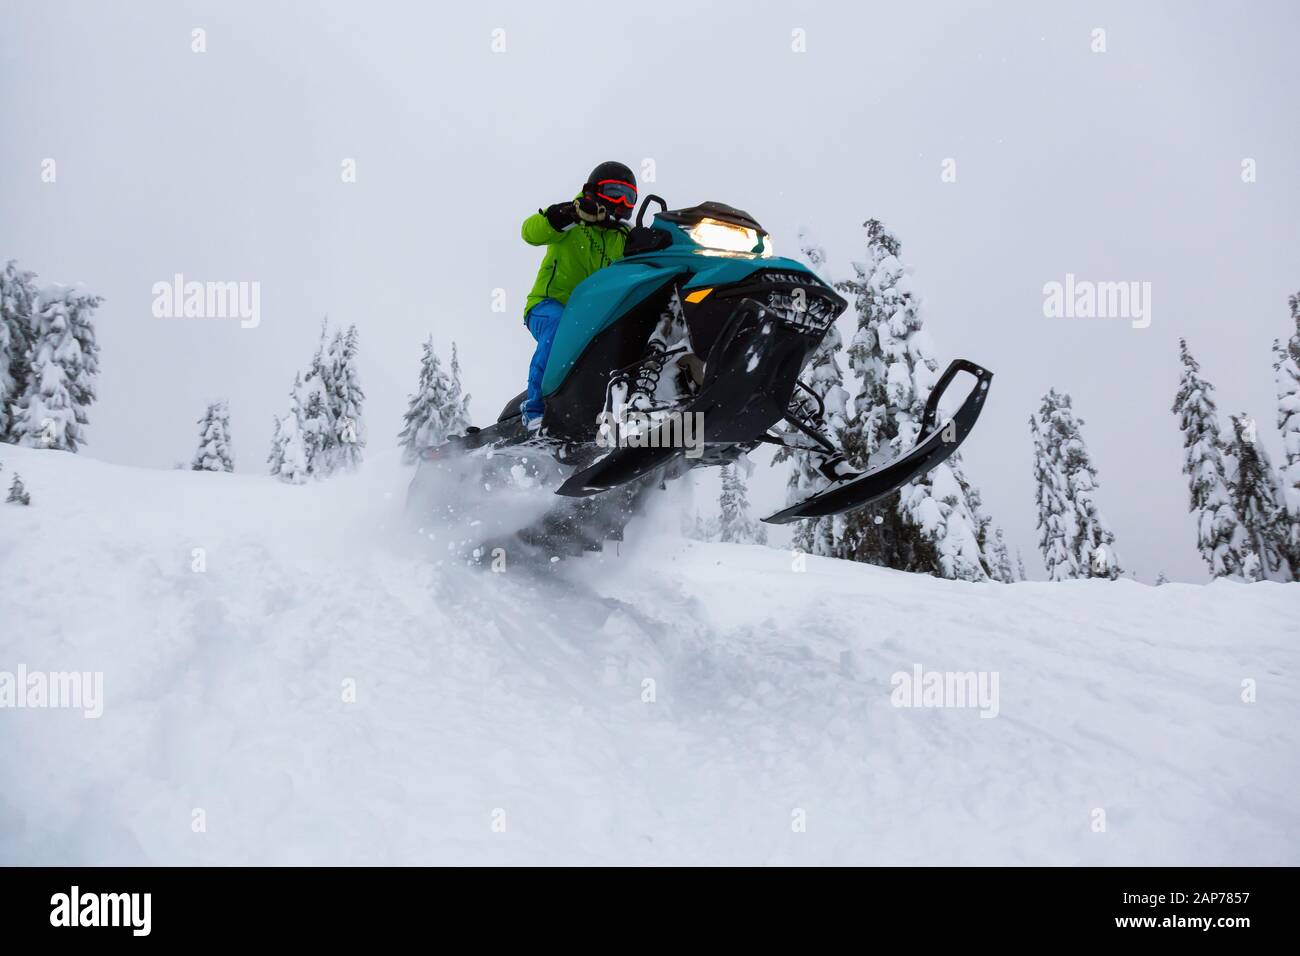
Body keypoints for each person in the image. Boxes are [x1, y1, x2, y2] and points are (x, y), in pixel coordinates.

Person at [519, 160, 637, 429]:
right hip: (548, 306)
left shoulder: (623, 238)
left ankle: (616, 414)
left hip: (591, 320)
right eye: (614, 192)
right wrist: (566, 215)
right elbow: (530, 232)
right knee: (561, 328)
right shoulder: (571, 220)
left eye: (628, 196)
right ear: (593, 190)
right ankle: (535, 411)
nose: (620, 201)